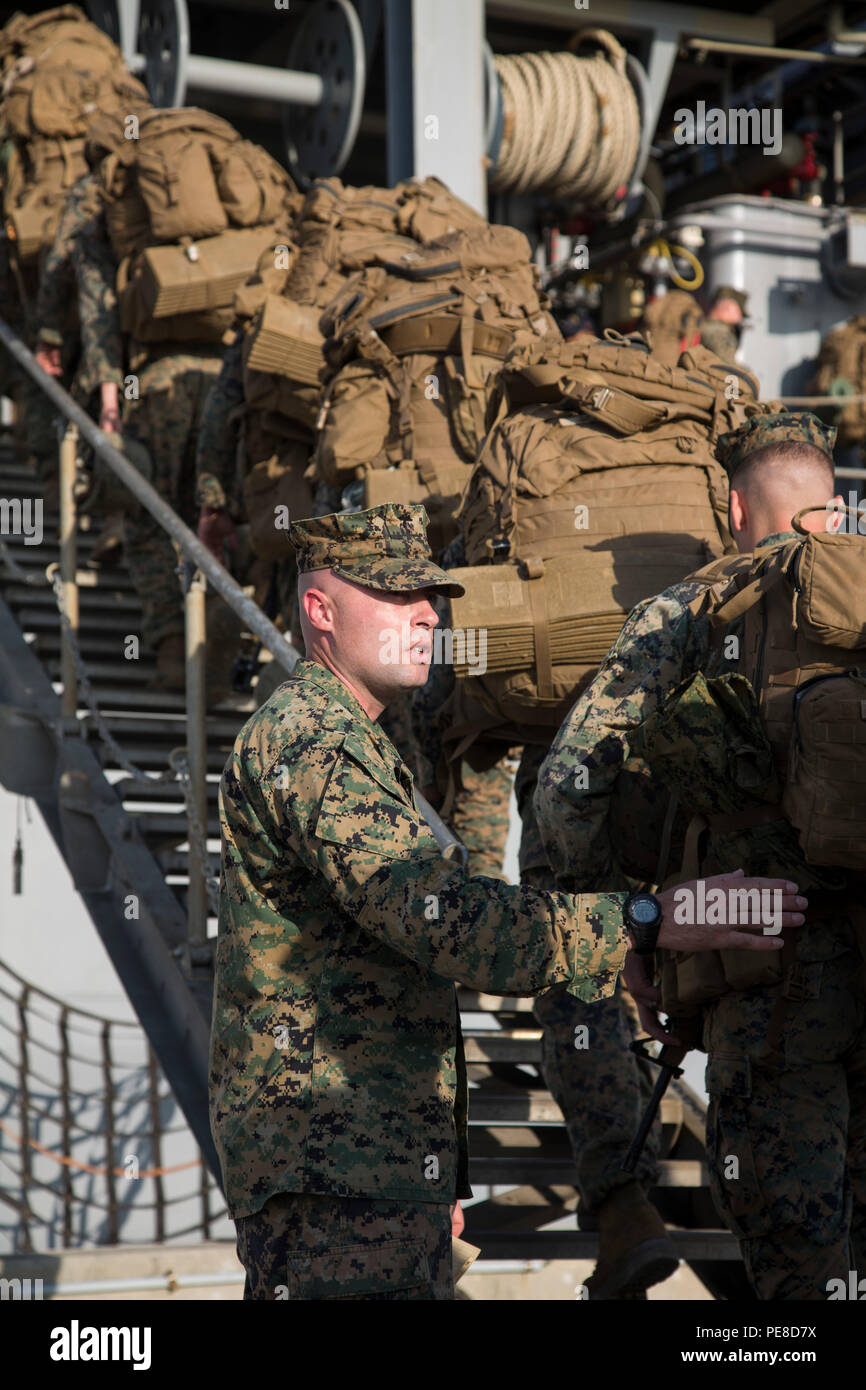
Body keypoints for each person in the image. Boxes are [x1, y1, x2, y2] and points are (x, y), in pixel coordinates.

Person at [209, 499, 804, 1301]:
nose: (423, 615)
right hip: (334, 1176)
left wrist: (428, 1168)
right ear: (320, 609)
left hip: (366, 1165)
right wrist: (649, 922)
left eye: (427, 597)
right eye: (393, 595)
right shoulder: (312, 739)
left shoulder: (356, 736)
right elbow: (443, 921)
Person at [535, 412, 866, 1301]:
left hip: (768, 972)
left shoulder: (699, 607)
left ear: (732, 507)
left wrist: (635, 942)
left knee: (797, 1258)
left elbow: (570, 787)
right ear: (835, 507)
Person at [700, 285, 749, 365]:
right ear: (728, 307)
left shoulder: (701, 325)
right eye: (740, 312)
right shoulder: (719, 332)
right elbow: (726, 366)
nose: (740, 318)